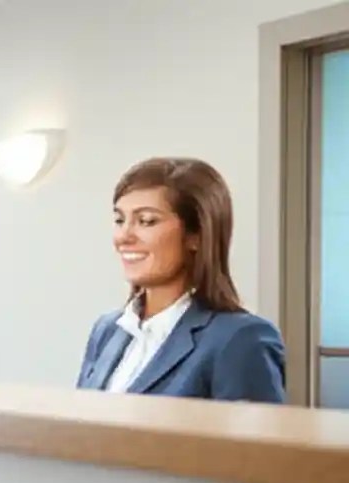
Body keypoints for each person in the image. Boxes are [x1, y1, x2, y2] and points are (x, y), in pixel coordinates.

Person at [76, 157, 286, 402]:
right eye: (120, 220)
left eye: (146, 221)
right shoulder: (108, 330)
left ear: (196, 235)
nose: (124, 236)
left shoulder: (240, 339)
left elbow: (253, 441)